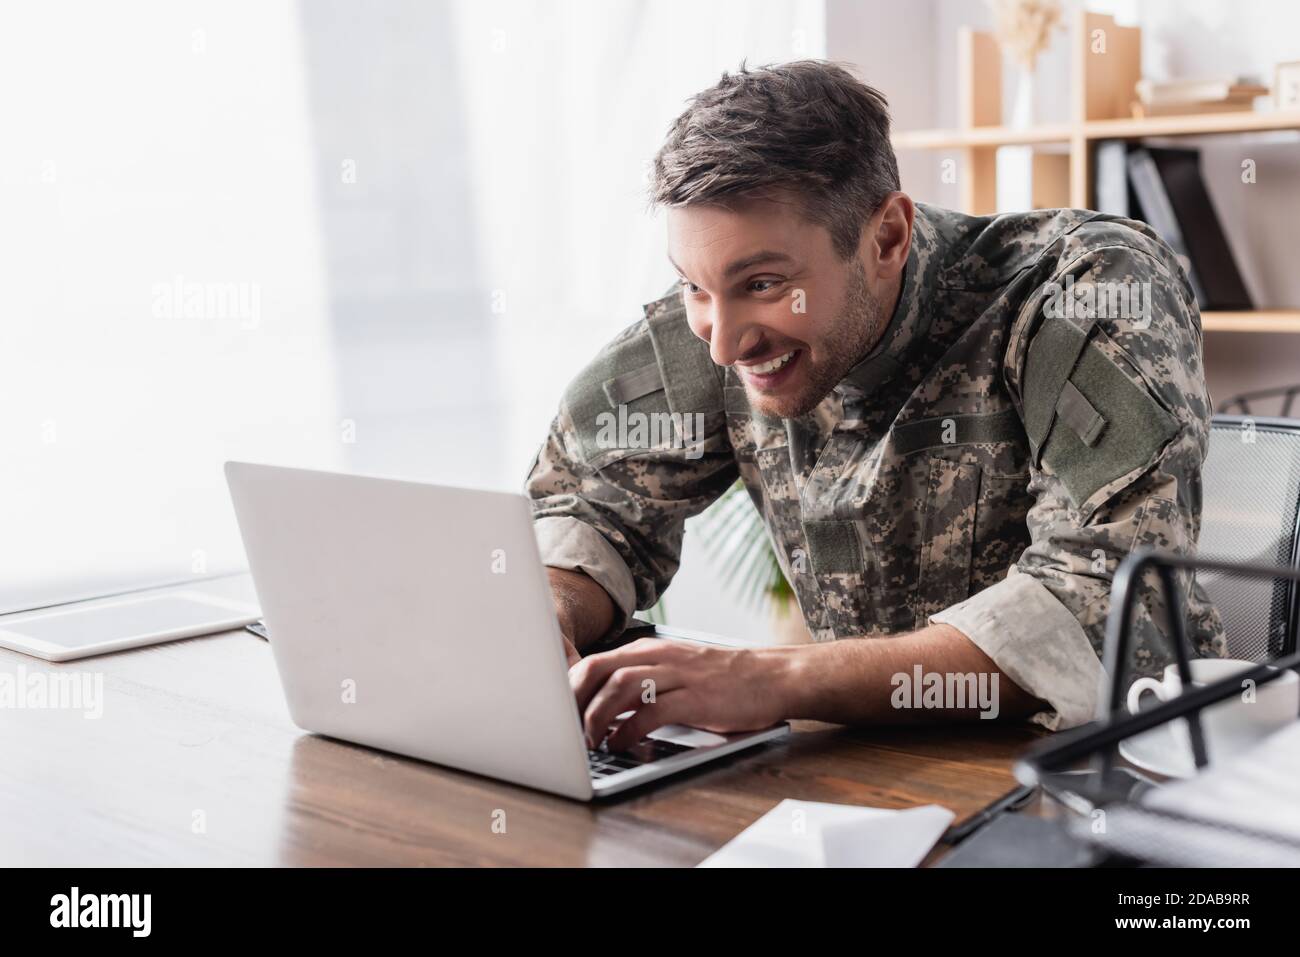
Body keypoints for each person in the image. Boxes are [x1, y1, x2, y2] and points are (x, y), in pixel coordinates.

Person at [526, 60, 1224, 752]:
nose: (723, 344)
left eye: (764, 283)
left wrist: (770, 678)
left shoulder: (1081, 293)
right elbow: (584, 506)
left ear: (885, 236)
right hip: (868, 780)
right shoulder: (725, 323)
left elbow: (1110, 602)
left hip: (1105, 776)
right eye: (694, 288)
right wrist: (547, 616)